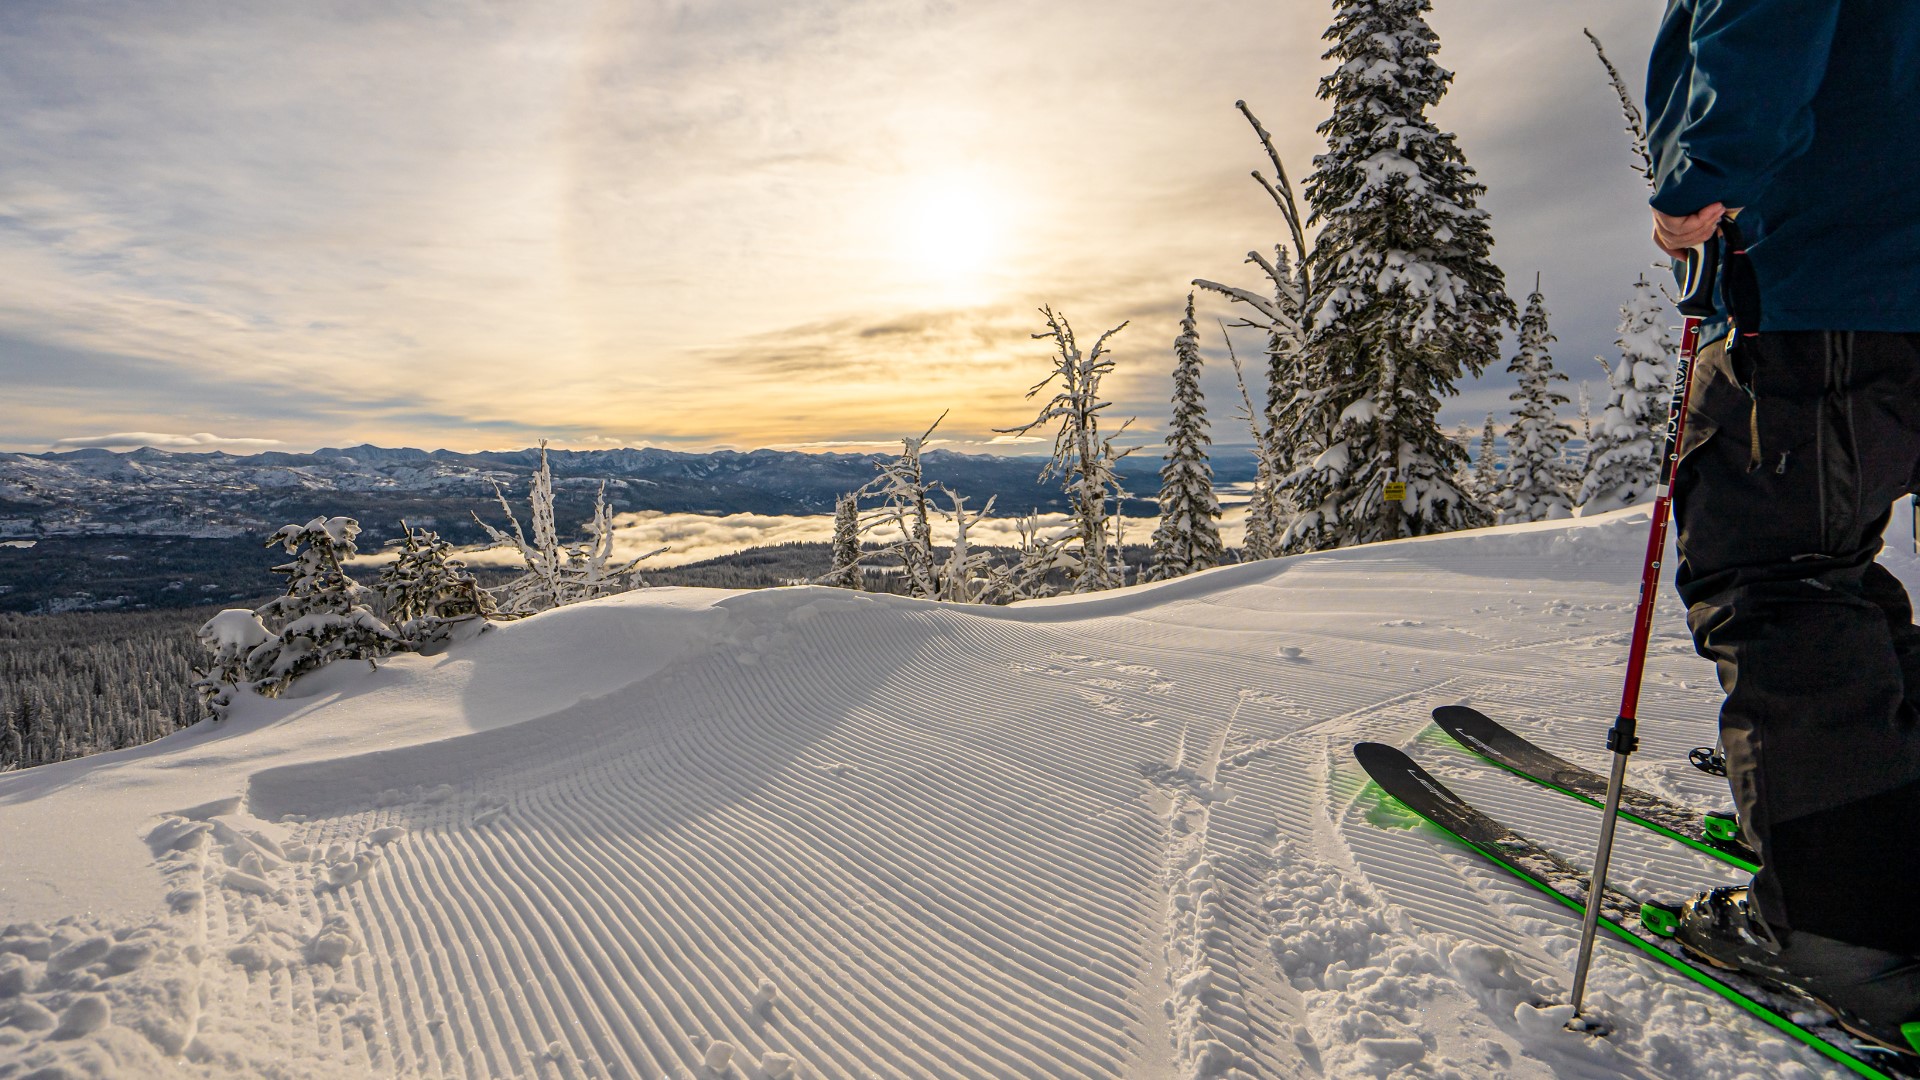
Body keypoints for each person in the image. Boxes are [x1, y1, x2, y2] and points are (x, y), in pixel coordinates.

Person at [1646, 0, 1920, 1055]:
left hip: (1825, 285)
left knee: (1778, 579)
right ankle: (1886, 852)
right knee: (1835, 575)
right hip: (1885, 283)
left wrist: (1697, 182)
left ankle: (1846, 933)